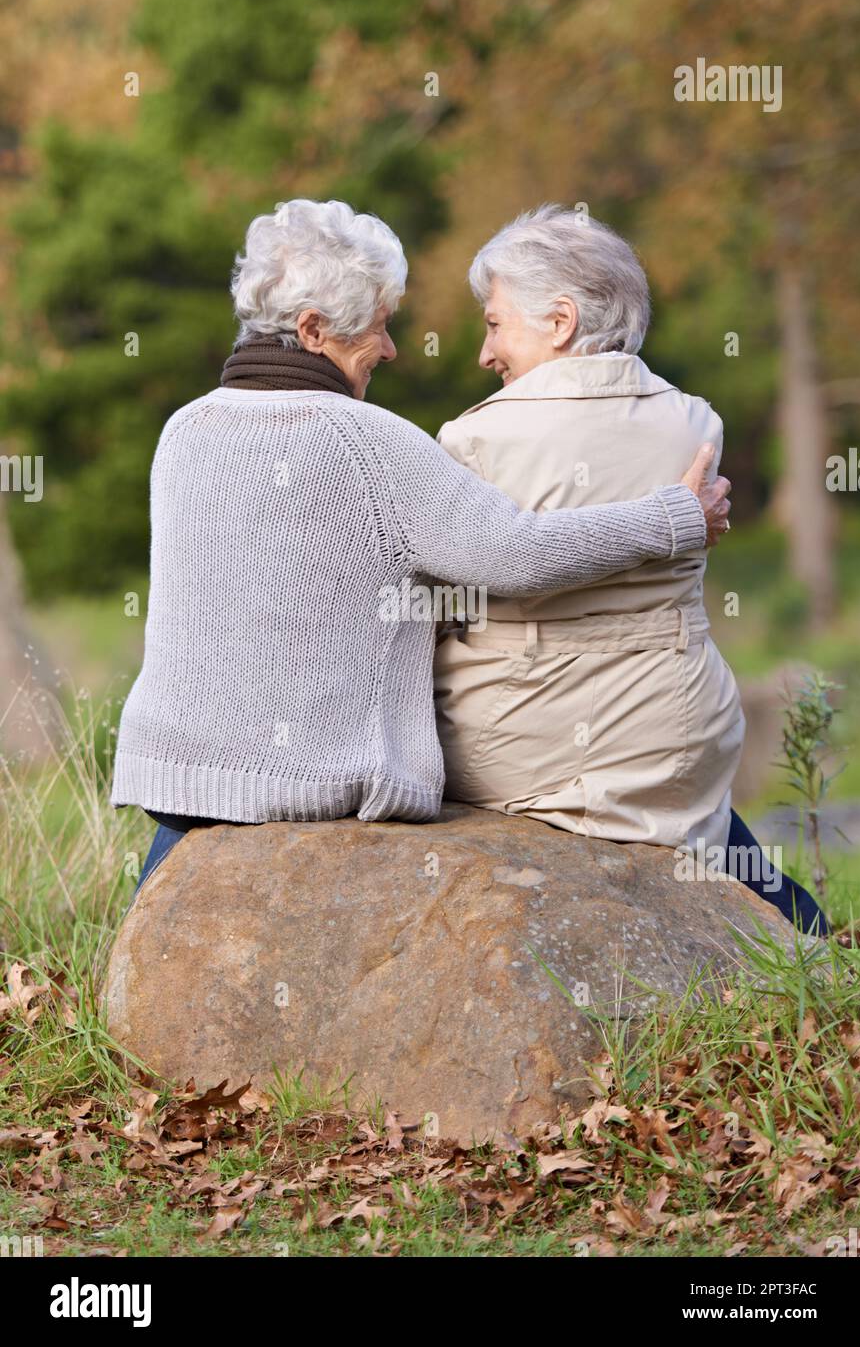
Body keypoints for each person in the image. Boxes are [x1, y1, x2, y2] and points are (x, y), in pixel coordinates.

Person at [111, 198, 729, 894]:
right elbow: (517, 555)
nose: (390, 349)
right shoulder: (372, 442)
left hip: (174, 777)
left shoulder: (184, 429)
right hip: (309, 782)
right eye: (378, 327)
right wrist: (675, 517)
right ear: (312, 330)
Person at [433, 205, 827, 935]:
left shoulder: (473, 440)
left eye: (494, 324)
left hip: (522, 745)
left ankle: (809, 934)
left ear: (559, 322)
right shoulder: (696, 423)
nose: (485, 353)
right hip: (681, 736)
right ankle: (811, 936)